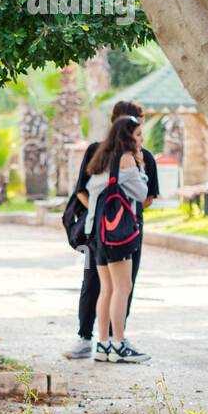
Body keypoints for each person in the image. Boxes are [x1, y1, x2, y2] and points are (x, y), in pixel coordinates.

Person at [63, 100, 159, 359]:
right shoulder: (128, 159)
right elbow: (141, 194)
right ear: (127, 133)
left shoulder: (100, 158)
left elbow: (92, 192)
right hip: (119, 235)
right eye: (137, 132)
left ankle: (103, 344)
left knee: (106, 288)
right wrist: (139, 168)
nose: (141, 137)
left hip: (97, 234)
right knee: (122, 287)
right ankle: (118, 343)